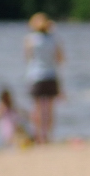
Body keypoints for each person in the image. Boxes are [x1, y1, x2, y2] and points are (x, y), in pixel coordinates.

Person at [25, 13, 64, 143]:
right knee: (50, 110)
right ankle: (49, 135)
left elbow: (27, 58)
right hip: (51, 75)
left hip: (35, 75)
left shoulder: (30, 39)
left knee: (37, 109)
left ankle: (39, 136)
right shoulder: (53, 39)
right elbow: (60, 59)